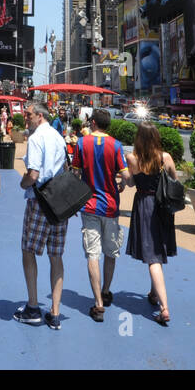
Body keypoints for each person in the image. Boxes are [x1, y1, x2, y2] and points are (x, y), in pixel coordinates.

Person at [73, 110, 130, 322]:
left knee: (92, 254)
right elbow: (126, 176)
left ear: (93, 122)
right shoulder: (116, 145)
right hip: (111, 207)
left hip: (89, 206)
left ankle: (97, 304)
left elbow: (76, 172)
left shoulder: (81, 143)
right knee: (110, 252)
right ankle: (106, 291)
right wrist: (124, 183)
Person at [16, 101, 68, 330]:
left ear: (39, 115)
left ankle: (33, 306)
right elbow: (66, 167)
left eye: (28, 115)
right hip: (60, 202)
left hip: (40, 201)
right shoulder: (57, 136)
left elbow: (34, 174)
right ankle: (55, 312)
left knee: (28, 250)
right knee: (56, 256)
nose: (25, 118)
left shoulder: (37, 138)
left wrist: (23, 182)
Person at [125, 124, 178, 326]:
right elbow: (174, 180)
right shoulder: (165, 158)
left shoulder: (132, 158)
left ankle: (164, 307)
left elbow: (131, 183)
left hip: (144, 205)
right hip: (162, 207)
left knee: (152, 258)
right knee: (157, 249)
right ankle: (154, 294)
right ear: (156, 137)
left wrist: (126, 180)